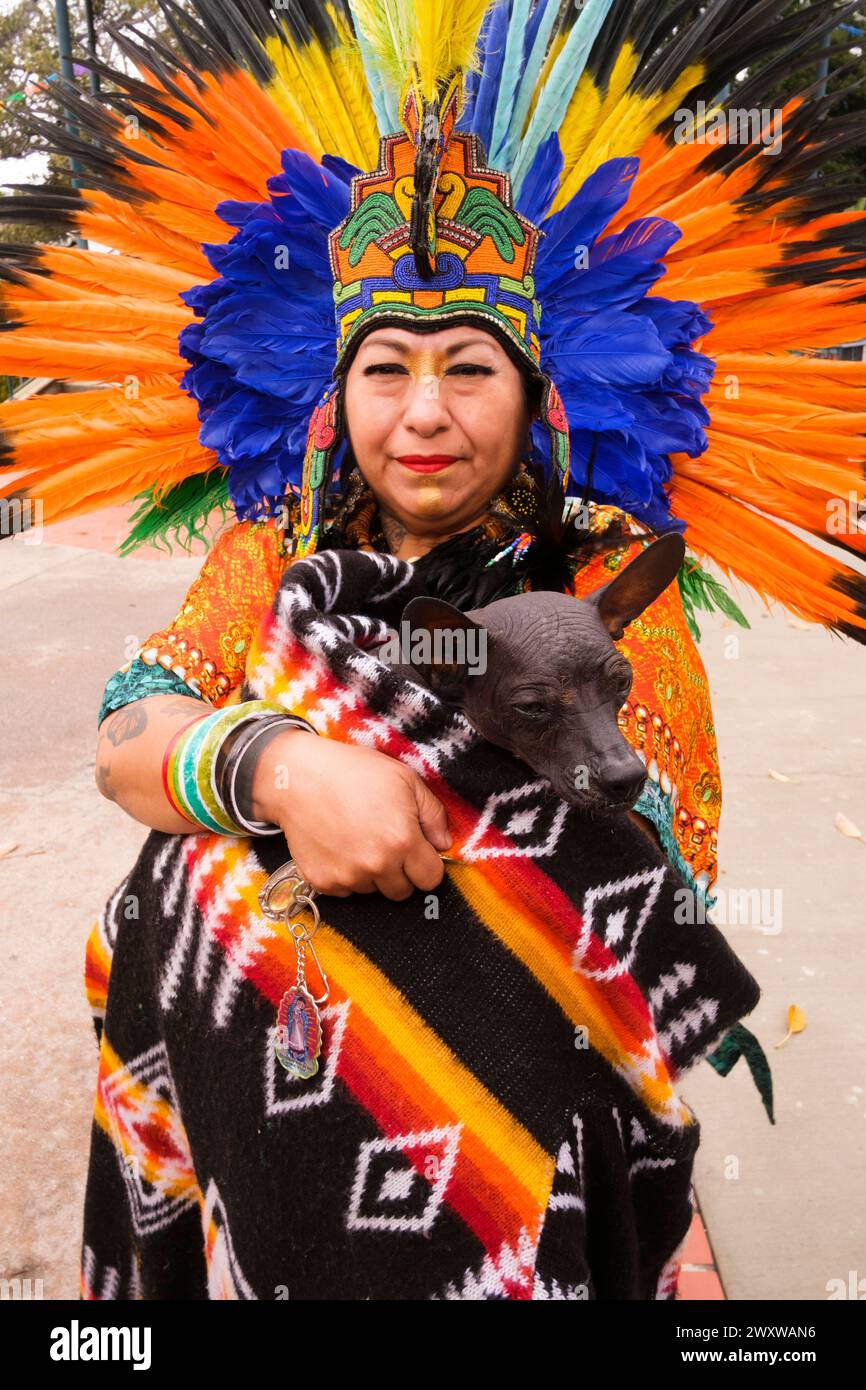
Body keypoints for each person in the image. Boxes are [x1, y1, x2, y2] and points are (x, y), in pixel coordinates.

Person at [2, 0, 864, 1302]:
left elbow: (658, 873)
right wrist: (282, 769)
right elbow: (133, 739)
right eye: (383, 369)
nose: (420, 413)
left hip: (539, 1150)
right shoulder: (267, 561)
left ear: (534, 393)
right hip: (286, 1144)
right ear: (333, 397)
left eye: (467, 367)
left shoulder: (600, 582)